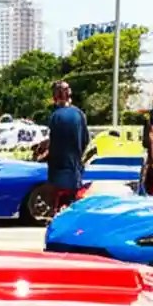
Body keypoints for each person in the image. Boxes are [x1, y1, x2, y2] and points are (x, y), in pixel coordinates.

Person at [46, 81, 91, 212]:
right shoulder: (79, 114)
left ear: (55, 96)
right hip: (74, 170)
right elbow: (85, 141)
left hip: (57, 171)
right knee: (73, 206)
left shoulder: (55, 116)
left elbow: (52, 143)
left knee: (57, 206)